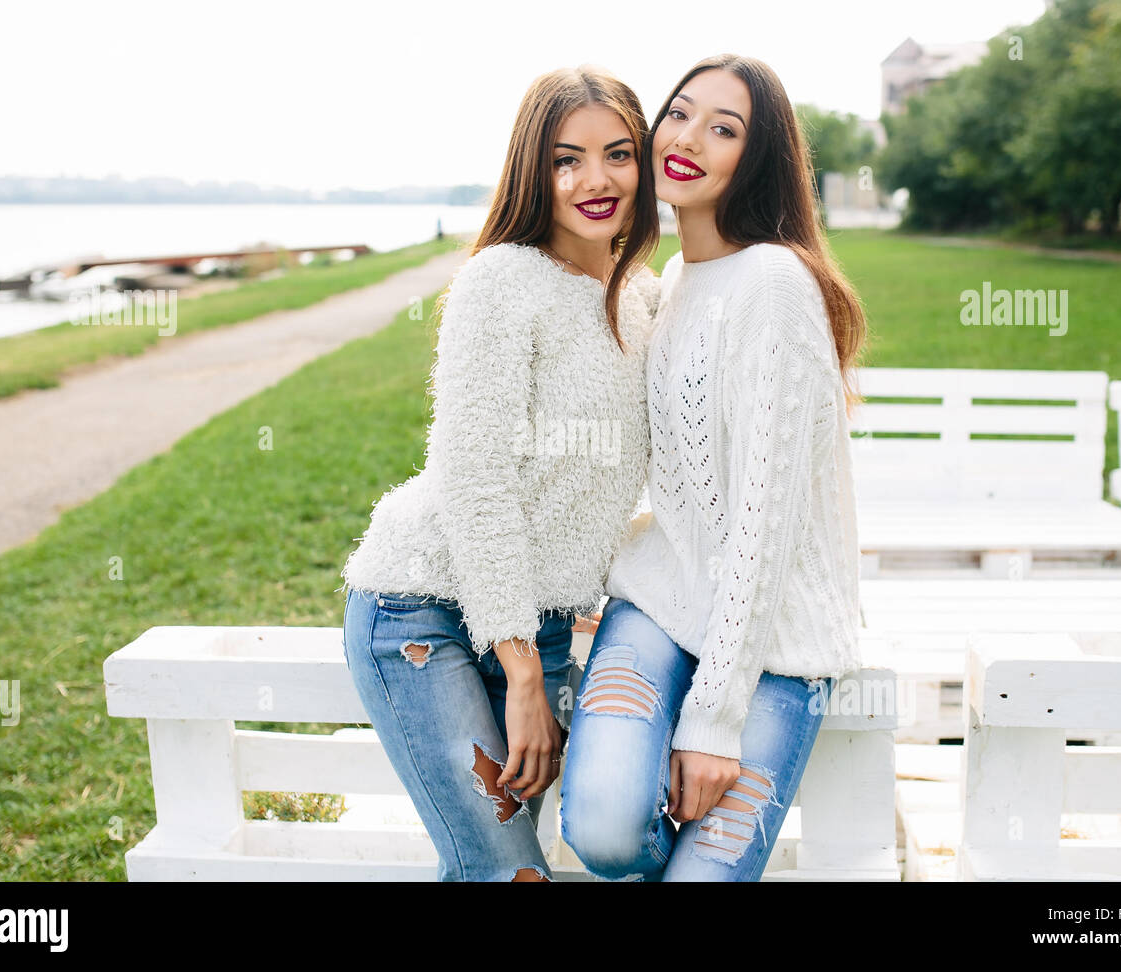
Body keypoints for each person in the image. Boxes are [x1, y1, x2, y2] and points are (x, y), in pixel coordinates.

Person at [338, 65, 661, 882]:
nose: (596, 179)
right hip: (426, 610)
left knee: (502, 867)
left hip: (547, 620)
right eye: (566, 159)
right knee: (508, 872)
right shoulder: (500, 282)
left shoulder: (646, 298)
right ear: (533, 170)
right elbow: (474, 477)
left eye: (618, 154)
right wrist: (521, 672)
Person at [559, 53, 868, 881]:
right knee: (603, 826)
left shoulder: (773, 282)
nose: (689, 138)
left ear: (755, 159)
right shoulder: (676, 280)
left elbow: (762, 526)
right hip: (661, 601)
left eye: (724, 128)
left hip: (775, 640)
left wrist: (711, 721)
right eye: (681, 113)